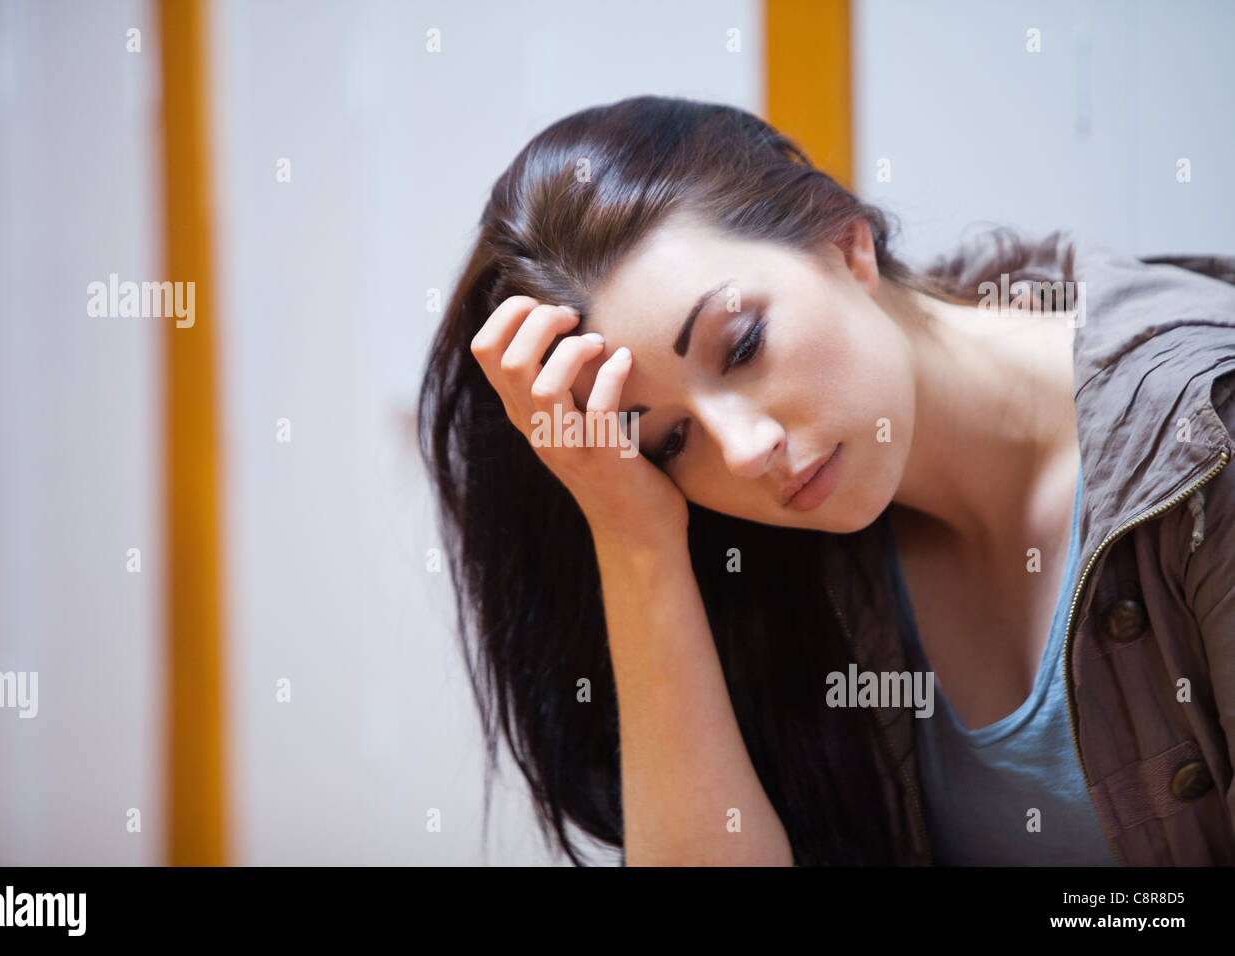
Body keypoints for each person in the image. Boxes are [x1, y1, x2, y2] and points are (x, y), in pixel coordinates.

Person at [416, 94, 1235, 865]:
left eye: (741, 347)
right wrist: (635, 536)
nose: (742, 453)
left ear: (846, 245)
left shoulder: (1207, 447)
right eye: (669, 442)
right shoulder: (775, 557)